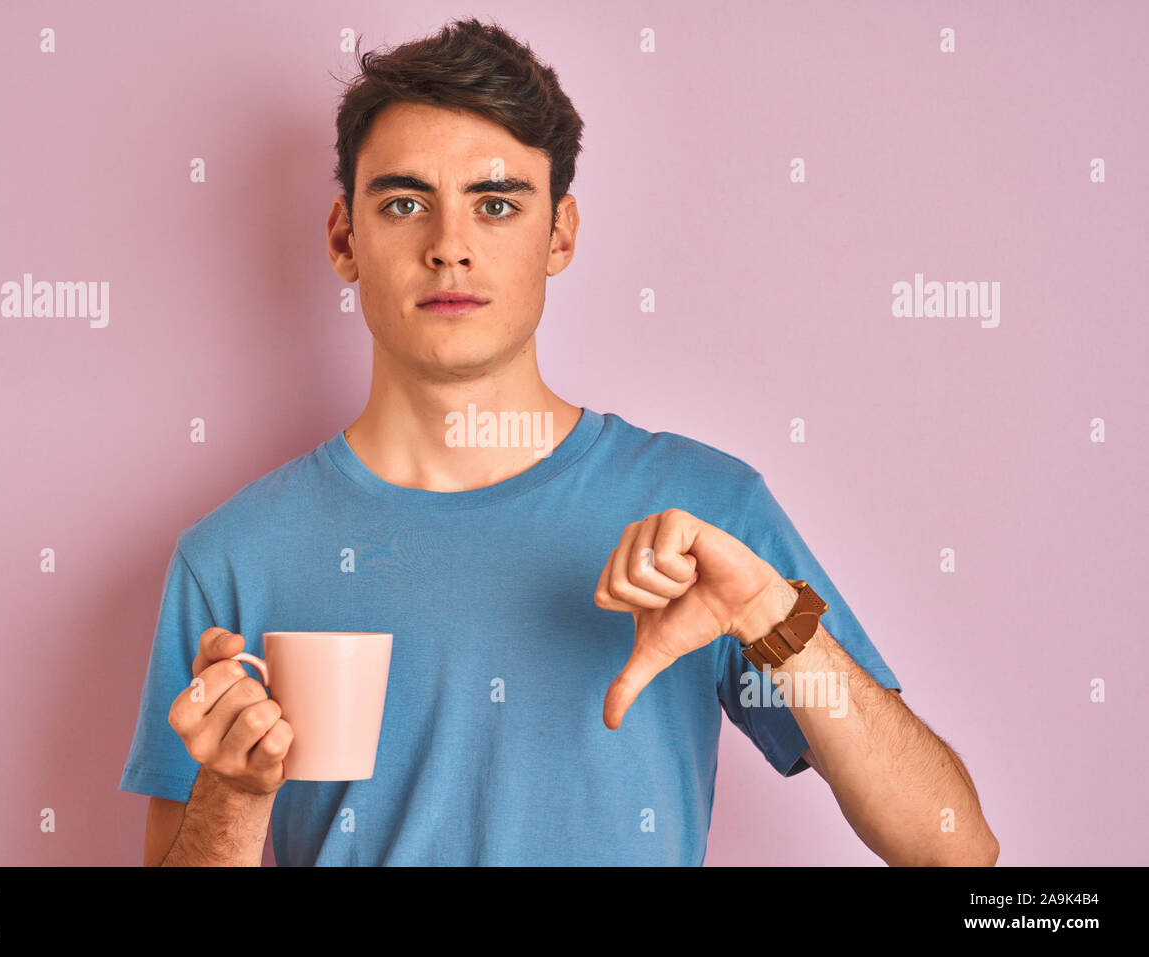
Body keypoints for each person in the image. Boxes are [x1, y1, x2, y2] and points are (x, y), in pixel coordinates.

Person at [119, 16, 998, 867]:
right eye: (404, 203)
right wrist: (234, 797)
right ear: (346, 238)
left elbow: (953, 847)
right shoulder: (231, 558)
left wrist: (772, 618)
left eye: (495, 203)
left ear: (559, 234)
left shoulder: (708, 511)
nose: (449, 246)